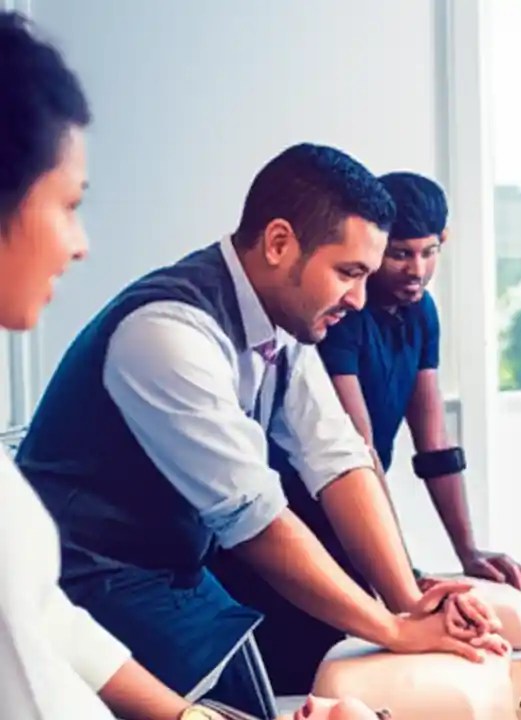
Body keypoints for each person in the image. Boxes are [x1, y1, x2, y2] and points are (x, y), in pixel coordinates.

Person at [14, 141, 506, 715]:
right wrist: (393, 631)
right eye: (348, 272)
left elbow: (341, 457)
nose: (359, 297)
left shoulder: (286, 326)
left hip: (174, 579)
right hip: (89, 588)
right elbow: (256, 519)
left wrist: (407, 601)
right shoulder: (166, 335)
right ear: (279, 243)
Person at [0, 11, 236, 719]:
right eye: (68, 204)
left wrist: (188, 717)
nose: (79, 245)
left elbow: (41, 617)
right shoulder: (164, 330)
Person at [213, 171, 521, 694]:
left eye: (430, 253)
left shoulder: (421, 313)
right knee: (313, 674)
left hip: (356, 508)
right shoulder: (337, 316)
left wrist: (467, 551)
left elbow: (434, 445)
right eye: (401, 254)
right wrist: (404, 580)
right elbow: (349, 452)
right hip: (306, 516)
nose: (417, 271)